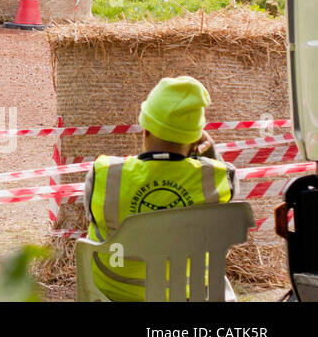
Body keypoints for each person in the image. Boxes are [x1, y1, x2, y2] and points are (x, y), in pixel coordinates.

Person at [83, 76, 237, 301]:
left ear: (145, 129)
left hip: (113, 293)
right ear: (195, 142)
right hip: (187, 294)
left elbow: (92, 218)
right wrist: (208, 150)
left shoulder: (104, 174)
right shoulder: (216, 179)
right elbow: (220, 173)